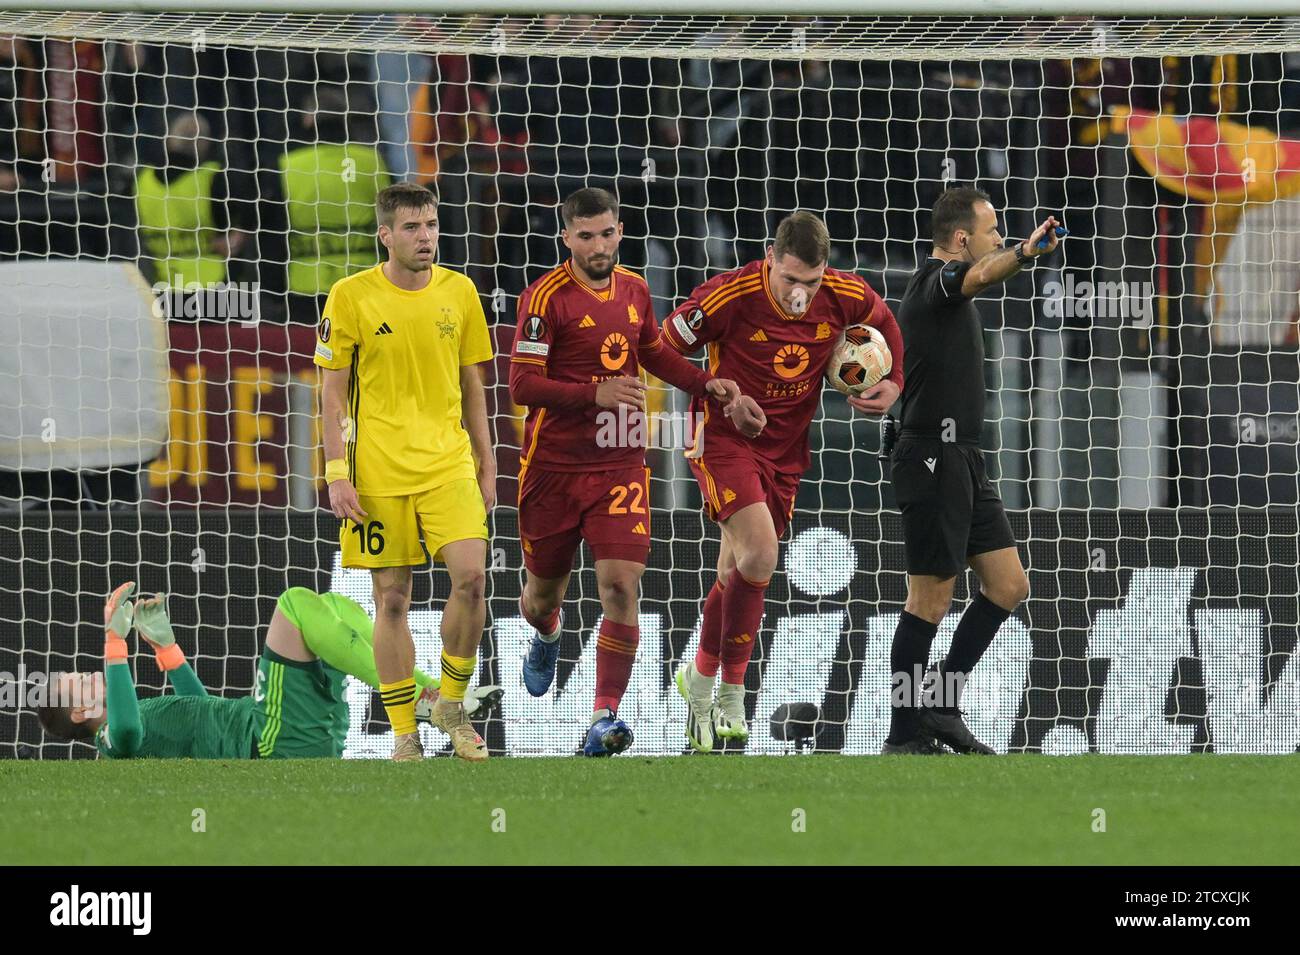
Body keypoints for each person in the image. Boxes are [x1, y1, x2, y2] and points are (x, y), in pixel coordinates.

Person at [508, 187, 744, 755]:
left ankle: (603, 716)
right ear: (566, 238)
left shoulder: (635, 288)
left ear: (620, 231)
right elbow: (521, 385)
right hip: (553, 468)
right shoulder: (544, 298)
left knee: (620, 585)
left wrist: (703, 382)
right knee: (540, 599)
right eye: (586, 236)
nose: (599, 246)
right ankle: (548, 633)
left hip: (619, 459)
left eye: (607, 233)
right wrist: (596, 393)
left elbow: (653, 350)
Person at [661, 211, 904, 752]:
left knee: (736, 569)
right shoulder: (728, 296)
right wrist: (715, 388)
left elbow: (886, 321)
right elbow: (659, 346)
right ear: (769, 259)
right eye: (791, 279)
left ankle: (698, 678)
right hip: (722, 439)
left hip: (785, 452)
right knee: (762, 553)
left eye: (810, 283)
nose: (800, 295)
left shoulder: (843, 294)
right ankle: (732, 690)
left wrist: (895, 383)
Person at [315, 182, 495, 762]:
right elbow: (332, 393)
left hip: (447, 463)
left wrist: (488, 460)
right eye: (413, 227)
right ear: (385, 236)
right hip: (377, 471)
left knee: (472, 577)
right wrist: (336, 472)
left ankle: (451, 703)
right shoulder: (350, 296)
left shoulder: (460, 291)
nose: (426, 237)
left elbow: (473, 384)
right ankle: (402, 733)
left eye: (432, 225)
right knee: (392, 599)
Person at [883, 187, 1062, 755]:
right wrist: (1024, 253)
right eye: (992, 231)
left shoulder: (951, 292)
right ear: (961, 239)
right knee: (928, 601)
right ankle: (903, 735)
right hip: (929, 457)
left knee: (1009, 585)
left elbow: (979, 275)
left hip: (964, 458)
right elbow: (979, 275)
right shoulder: (934, 284)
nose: (999, 239)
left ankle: (940, 703)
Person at [36, 582, 501, 759]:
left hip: (297, 736)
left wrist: (167, 650)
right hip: (269, 738)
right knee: (294, 604)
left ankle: (435, 695)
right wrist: (114, 645)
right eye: (77, 683)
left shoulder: (140, 720)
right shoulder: (112, 741)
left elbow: (200, 708)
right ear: (78, 714)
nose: (87, 675)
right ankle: (414, 698)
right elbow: (127, 731)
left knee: (335, 606)